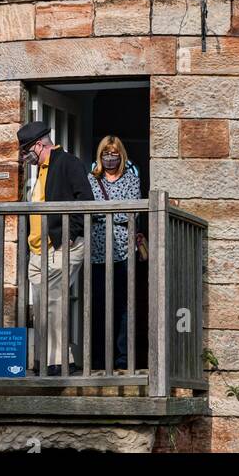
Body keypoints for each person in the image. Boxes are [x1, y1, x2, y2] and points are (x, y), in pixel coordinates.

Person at [18, 119, 92, 376]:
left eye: (27, 152)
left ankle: (58, 362)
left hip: (62, 247)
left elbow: (86, 201)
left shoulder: (68, 163)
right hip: (38, 252)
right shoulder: (40, 171)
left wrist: (70, 235)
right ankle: (47, 359)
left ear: (39, 145)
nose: (26, 158)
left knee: (54, 300)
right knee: (41, 306)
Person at [88, 135, 142, 372]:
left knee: (124, 304)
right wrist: (110, 213)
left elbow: (132, 214)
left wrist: (105, 213)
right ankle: (98, 358)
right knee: (98, 304)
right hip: (97, 250)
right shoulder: (92, 179)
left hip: (124, 249)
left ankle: (123, 358)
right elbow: (88, 210)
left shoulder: (131, 180)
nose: (109, 158)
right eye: (105, 154)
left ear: (121, 155)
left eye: (113, 154)